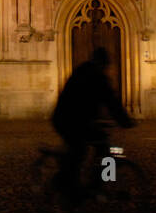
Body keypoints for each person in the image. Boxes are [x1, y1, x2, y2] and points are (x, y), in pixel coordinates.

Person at [50, 47, 135, 204]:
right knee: (79, 149)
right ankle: (68, 188)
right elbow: (110, 101)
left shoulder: (87, 71)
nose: (106, 68)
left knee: (100, 144)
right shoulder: (95, 76)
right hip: (66, 118)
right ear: (101, 63)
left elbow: (103, 101)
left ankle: (97, 184)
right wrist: (125, 121)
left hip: (79, 119)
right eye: (105, 65)